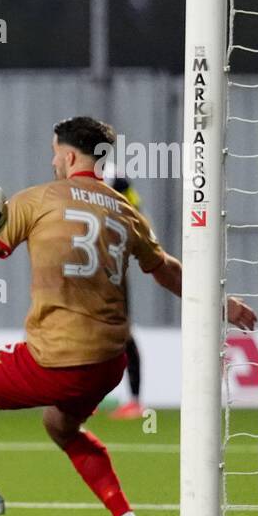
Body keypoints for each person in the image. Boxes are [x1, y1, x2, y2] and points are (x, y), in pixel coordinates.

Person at [0, 116, 258, 516]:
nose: (51, 160)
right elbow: (167, 271)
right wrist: (222, 303)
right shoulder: (124, 210)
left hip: (55, 361)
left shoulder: (39, 200)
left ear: (68, 155)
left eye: (53, 152)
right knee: (60, 425)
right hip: (108, 365)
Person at [108, 175, 145, 419]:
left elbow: (137, 212)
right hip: (81, 266)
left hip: (113, 267)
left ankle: (134, 400)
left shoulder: (116, 179)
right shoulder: (70, 177)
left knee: (124, 333)